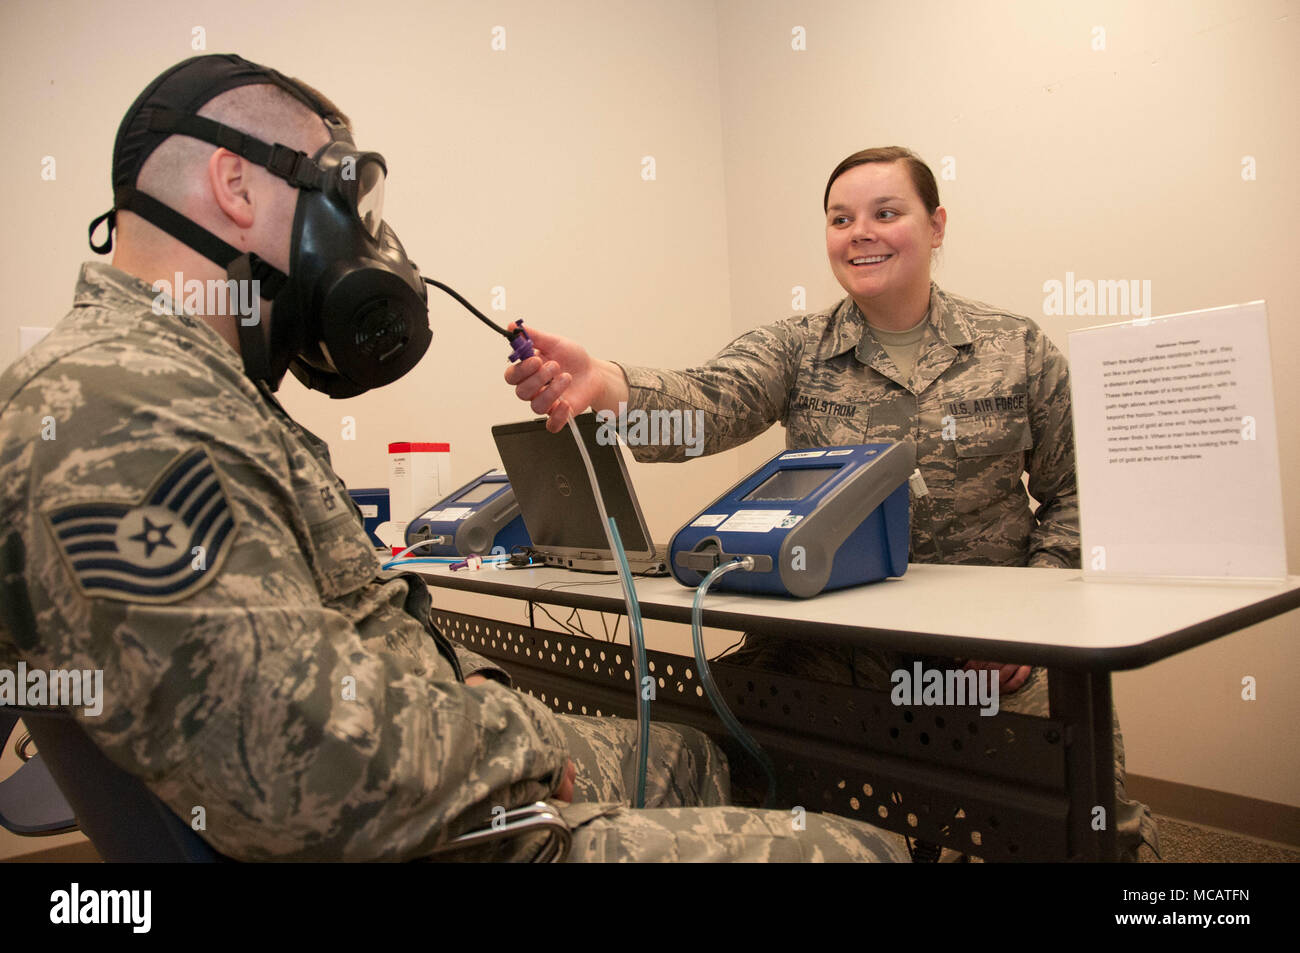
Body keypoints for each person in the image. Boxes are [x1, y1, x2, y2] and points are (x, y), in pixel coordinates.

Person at [0, 54, 908, 863]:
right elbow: (306, 769)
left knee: (698, 751)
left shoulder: (177, 385)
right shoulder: (127, 408)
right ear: (235, 187)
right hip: (443, 826)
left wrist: (471, 682)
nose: (360, 238)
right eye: (339, 198)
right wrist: (527, 742)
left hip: (432, 764)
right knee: (864, 849)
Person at [504, 146, 1160, 860]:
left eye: (886, 212)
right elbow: (707, 402)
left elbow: (1074, 497)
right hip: (833, 646)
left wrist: (1025, 630)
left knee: (1089, 812)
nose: (860, 232)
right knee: (720, 730)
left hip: (986, 656)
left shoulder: (1018, 348)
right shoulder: (797, 348)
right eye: (840, 218)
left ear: (936, 226)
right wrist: (605, 383)